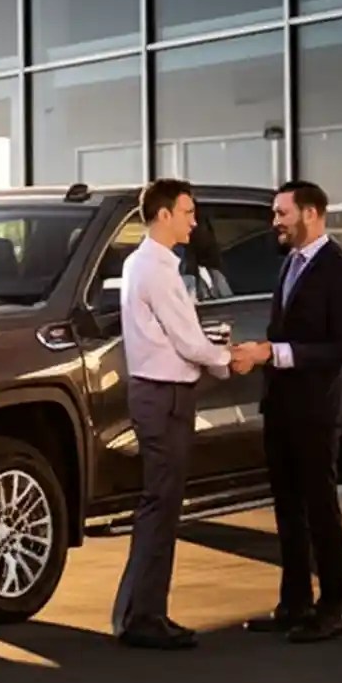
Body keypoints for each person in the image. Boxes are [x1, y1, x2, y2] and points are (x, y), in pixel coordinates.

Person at [229, 180, 342, 644]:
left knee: (320, 509)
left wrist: (274, 353)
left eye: (281, 213)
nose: (275, 222)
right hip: (281, 408)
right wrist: (259, 353)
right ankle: (294, 604)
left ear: (310, 213)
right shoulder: (289, 264)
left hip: (316, 412)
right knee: (287, 508)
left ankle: (332, 609)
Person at [111, 178, 233, 651]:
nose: (194, 222)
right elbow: (187, 340)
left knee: (160, 504)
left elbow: (177, 335)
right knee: (161, 505)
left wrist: (212, 350)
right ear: (163, 215)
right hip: (164, 398)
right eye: (187, 212)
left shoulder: (144, 263)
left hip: (158, 394)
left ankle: (139, 613)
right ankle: (143, 618)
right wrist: (228, 359)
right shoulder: (157, 270)